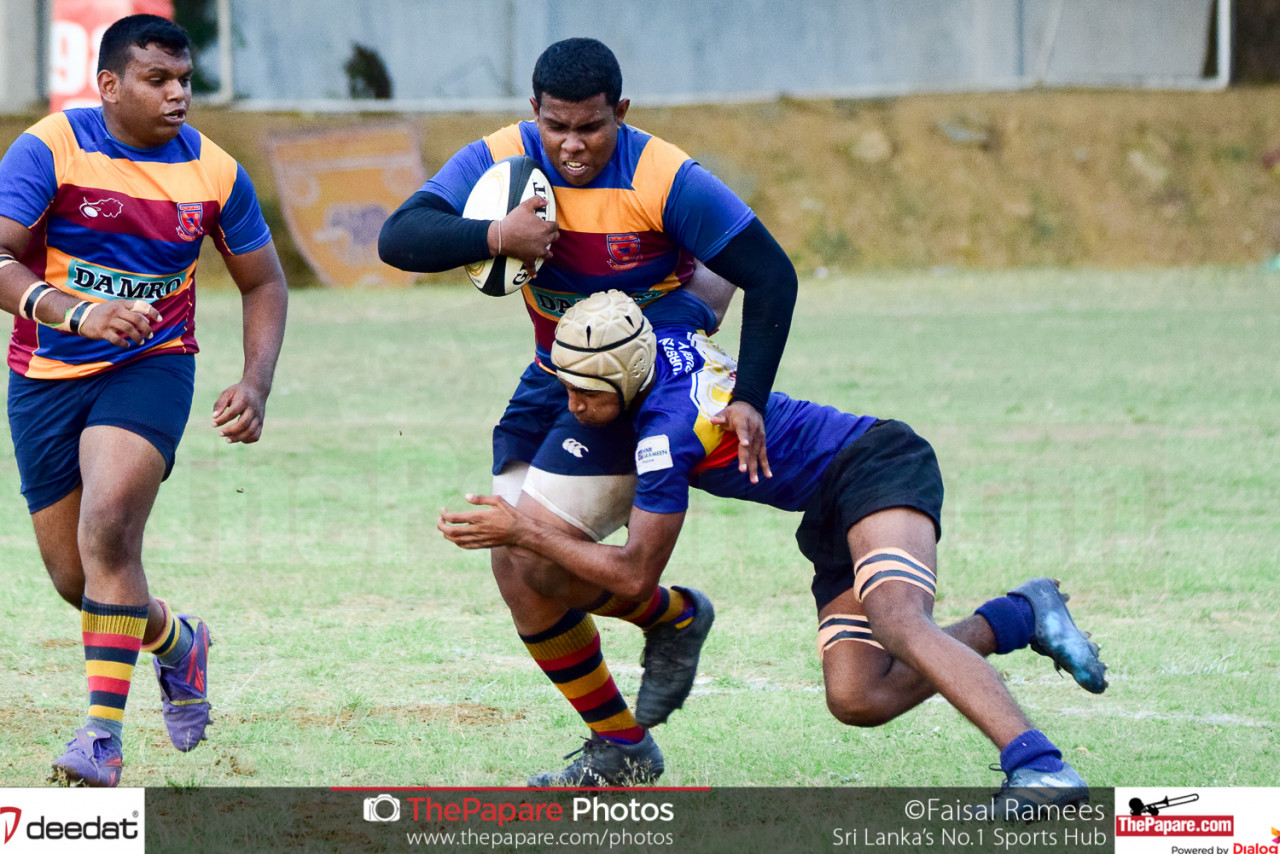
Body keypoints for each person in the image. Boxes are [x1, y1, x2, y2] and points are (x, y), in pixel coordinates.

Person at [439, 290, 1108, 804]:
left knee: (898, 622)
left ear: (625, 381)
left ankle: (1038, 764)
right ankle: (1023, 614)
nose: (573, 404)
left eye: (587, 393)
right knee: (858, 700)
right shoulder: (657, 333)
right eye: (569, 387)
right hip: (826, 510)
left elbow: (635, 576)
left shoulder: (666, 437)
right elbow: (709, 281)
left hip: (876, 463)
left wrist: (524, 530)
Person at [381, 38, 798, 780]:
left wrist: (751, 398)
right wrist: (494, 235)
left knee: (523, 547)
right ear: (534, 113)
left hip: (631, 392)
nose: (572, 146)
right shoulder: (502, 157)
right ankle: (649, 671)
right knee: (518, 572)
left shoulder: (664, 174)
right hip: (551, 375)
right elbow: (399, 238)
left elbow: (770, 275)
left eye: (592, 127)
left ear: (621, 113)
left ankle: (631, 721)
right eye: (557, 126)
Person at [0, 14, 288, 787]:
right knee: (78, 579)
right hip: (44, 375)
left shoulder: (217, 172)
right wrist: (75, 311)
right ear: (109, 86)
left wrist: (254, 381)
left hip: (152, 364)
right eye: (158, 80)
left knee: (109, 526)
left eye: (185, 81)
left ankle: (99, 740)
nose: (178, 96)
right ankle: (178, 641)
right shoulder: (49, 149)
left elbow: (264, 280)